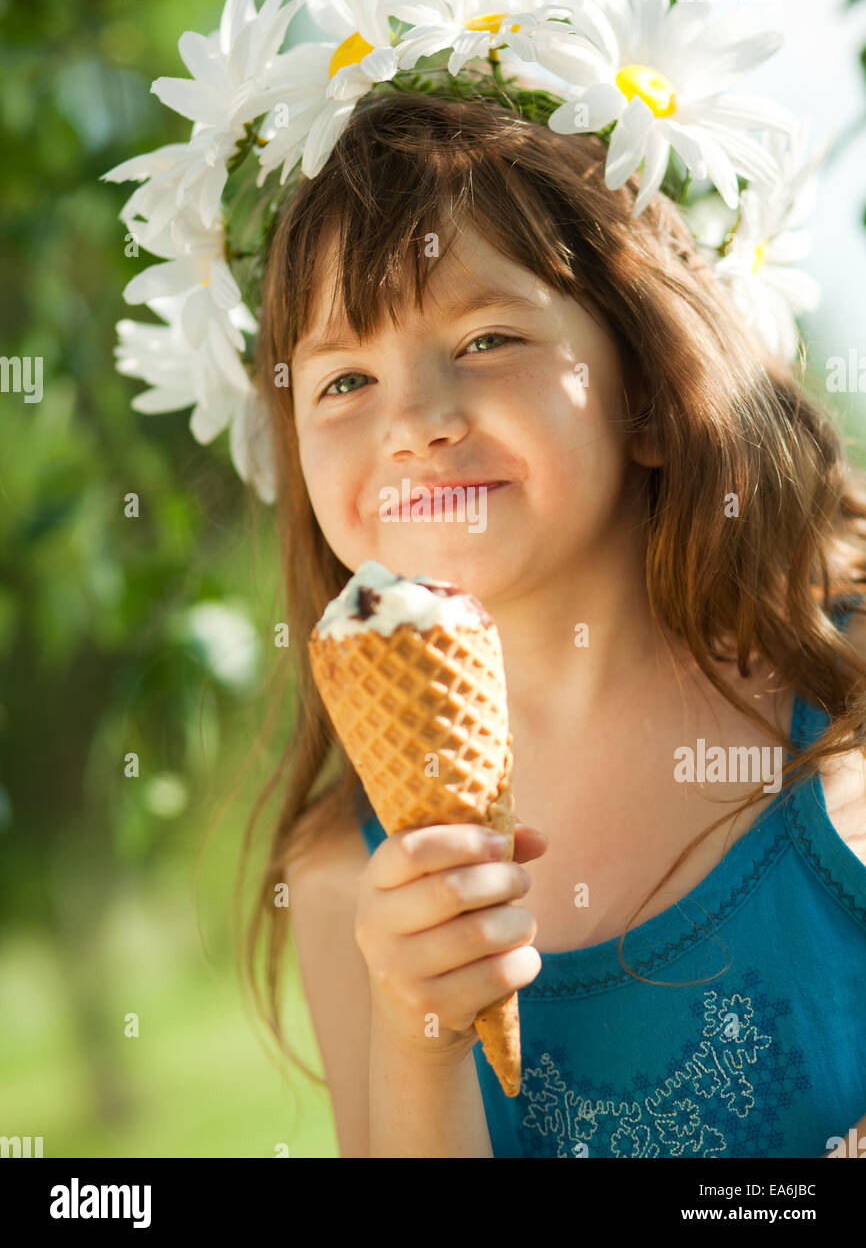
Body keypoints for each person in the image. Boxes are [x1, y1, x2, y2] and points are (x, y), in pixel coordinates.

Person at [245, 88, 866, 1158]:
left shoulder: (843, 715)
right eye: (344, 376)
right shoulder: (346, 879)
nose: (414, 423)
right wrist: (421, 1040)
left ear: (652, 393)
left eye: (485, 337)